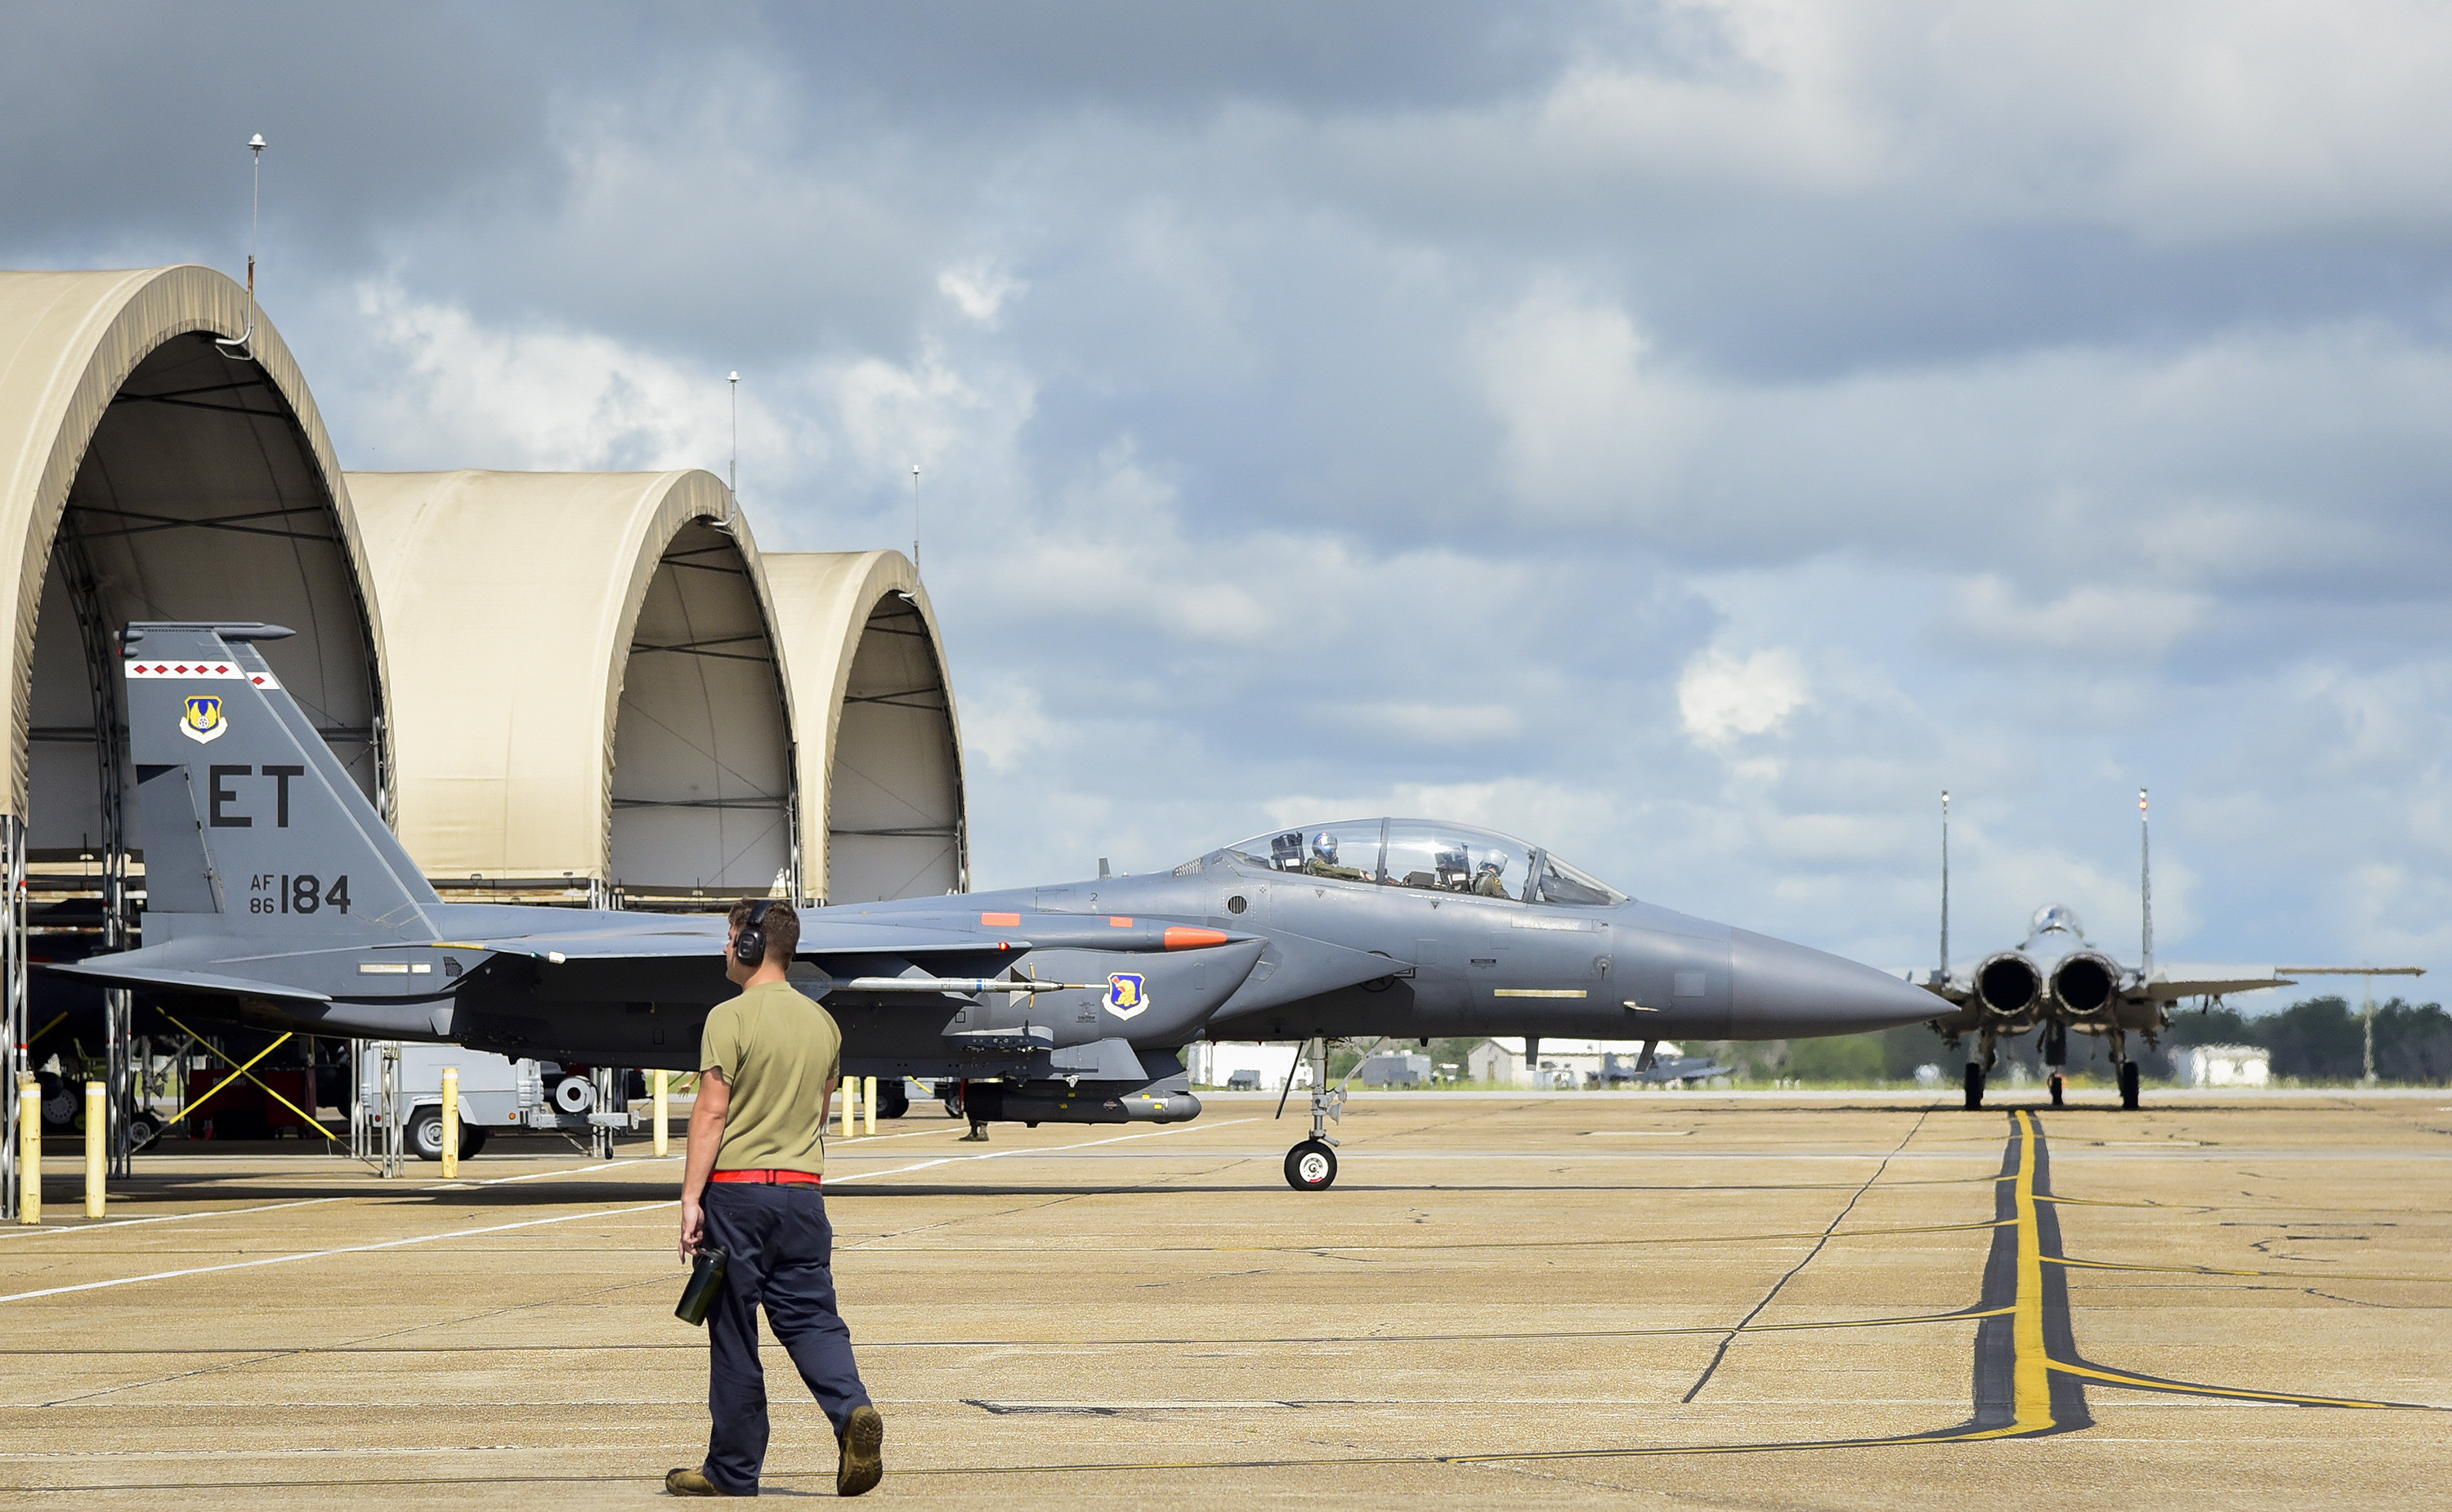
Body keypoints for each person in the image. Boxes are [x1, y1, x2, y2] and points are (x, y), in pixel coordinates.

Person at [667, 899, 884, 1498]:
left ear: (749, 946)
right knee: (813, 1320)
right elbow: (818, 1112)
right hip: (803, 1197)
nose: (723, 947)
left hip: (738, 1197)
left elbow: (711, 1114)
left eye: (729, 936)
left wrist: (691, 1200)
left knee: (735, 1332)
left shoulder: (729, 1018)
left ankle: (732, 1473)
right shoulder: (824, 1024)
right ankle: (852, 1414)